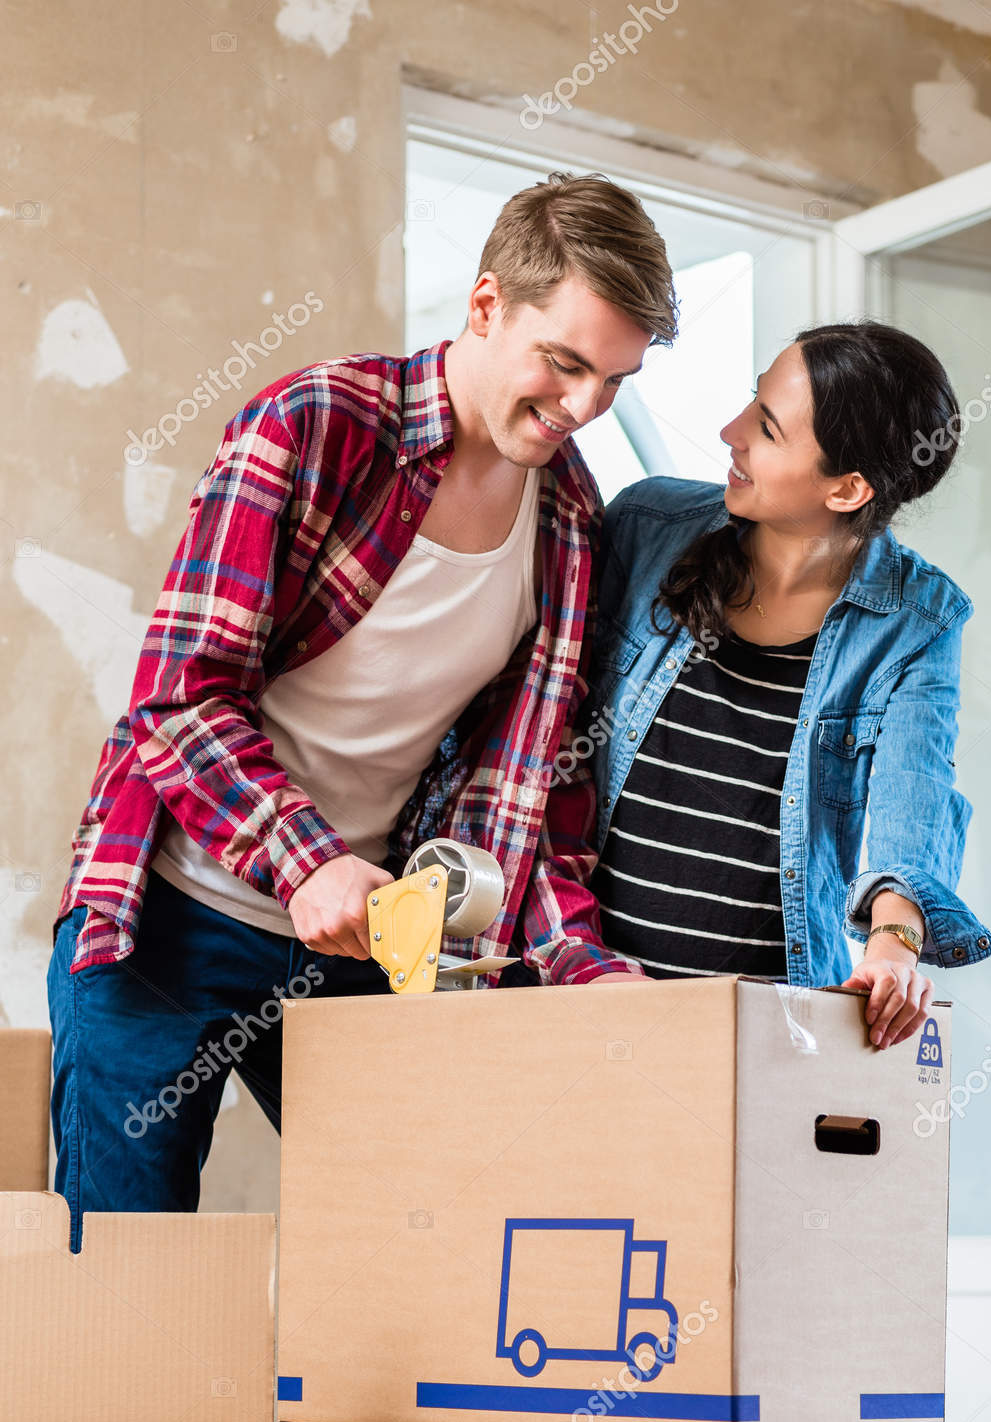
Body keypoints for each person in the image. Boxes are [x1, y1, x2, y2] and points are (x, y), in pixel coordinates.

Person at [47, 171, 675, 1248]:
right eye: (565, 364)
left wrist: (592, 975)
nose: (583, 409)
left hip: (369, 947)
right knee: (124, 1284)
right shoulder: (317, 423)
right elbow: (178, 701)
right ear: (486, 306)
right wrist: (309, 860)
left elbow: (537, 793)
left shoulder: (568, 513)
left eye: (613, 381)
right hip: (171, 916)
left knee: (424, 1250)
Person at [581, 321, 991, 1050]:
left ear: (847, 488)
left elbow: (916, 796)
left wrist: (893, 946)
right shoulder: (646, 526)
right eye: (753, 402)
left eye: (766, 428)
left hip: (760, 1036)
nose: (729, 431)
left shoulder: (919, 620)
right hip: (581, 994)